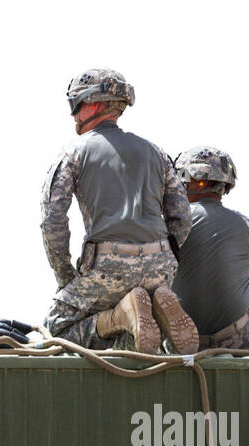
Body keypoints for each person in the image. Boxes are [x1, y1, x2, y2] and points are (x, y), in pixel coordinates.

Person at [40, 69, 197, 354]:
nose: (73, 115)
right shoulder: (157, 152)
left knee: (56, 328)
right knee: (138, 330)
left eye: (76, 105)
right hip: (160, 269)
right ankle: (148, 310)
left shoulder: (73, 153)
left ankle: (118, 316)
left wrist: (66, 279)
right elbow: (182, 218)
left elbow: (52, 221)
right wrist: (163, 256)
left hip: (107, 267)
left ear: (95, 104)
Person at [170, 146, 249, 352]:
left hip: (179, 342)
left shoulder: (170, 222)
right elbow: (247, 276)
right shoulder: (246, 224)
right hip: (240, 340)